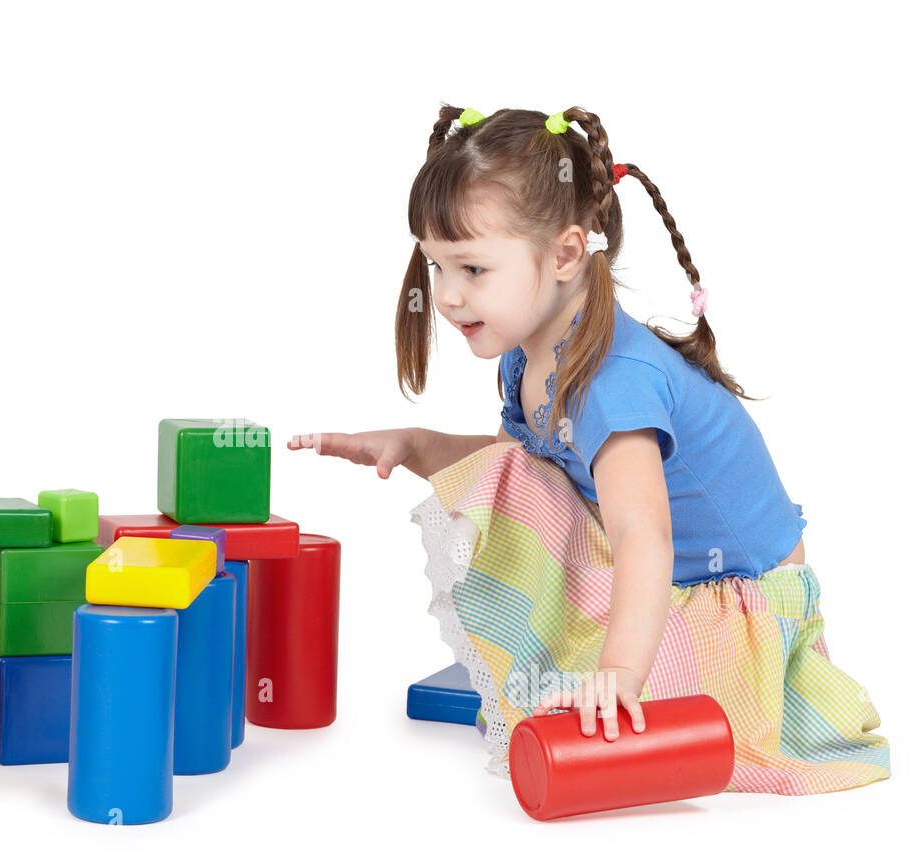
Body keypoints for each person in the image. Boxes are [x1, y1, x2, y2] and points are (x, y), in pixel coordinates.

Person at [288, 105, 890, 794]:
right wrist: (414, 444)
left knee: (607, 688)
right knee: (518, 469)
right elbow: (521, 474)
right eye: (437, 266)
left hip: (735, 599)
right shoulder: (527, 358)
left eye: (473, 269)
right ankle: (584, 653)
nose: (447, 296)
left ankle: (633, 666)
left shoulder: (614, 384)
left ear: (568, 254)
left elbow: (645, 537)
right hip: (660, 575)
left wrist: (619, 676)